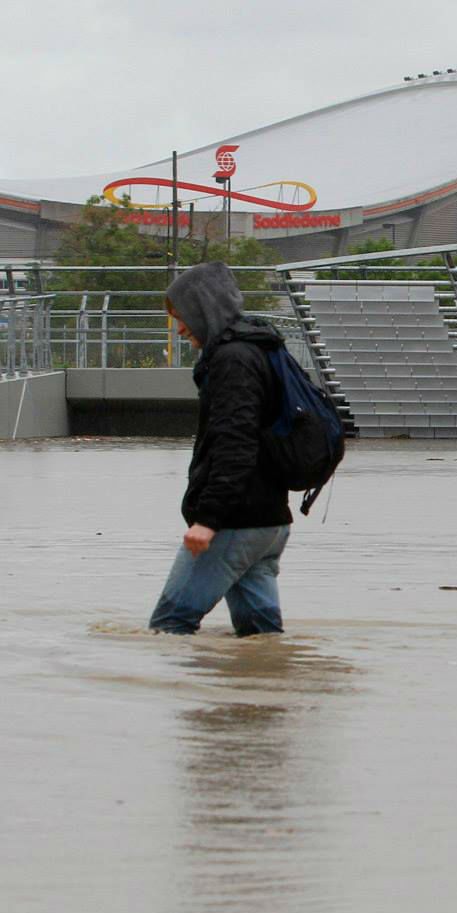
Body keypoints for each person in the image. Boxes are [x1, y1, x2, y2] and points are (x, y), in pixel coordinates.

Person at [148, 261, 295, 636]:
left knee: (169, 627)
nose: (180, 328)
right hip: (269, 523)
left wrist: (208, 520)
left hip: (235, 523)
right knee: (260, 639)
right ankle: (265, 693)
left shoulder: (233, 360)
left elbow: (235, 443)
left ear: (203, 311)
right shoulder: (262, 348)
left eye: (182, 317)